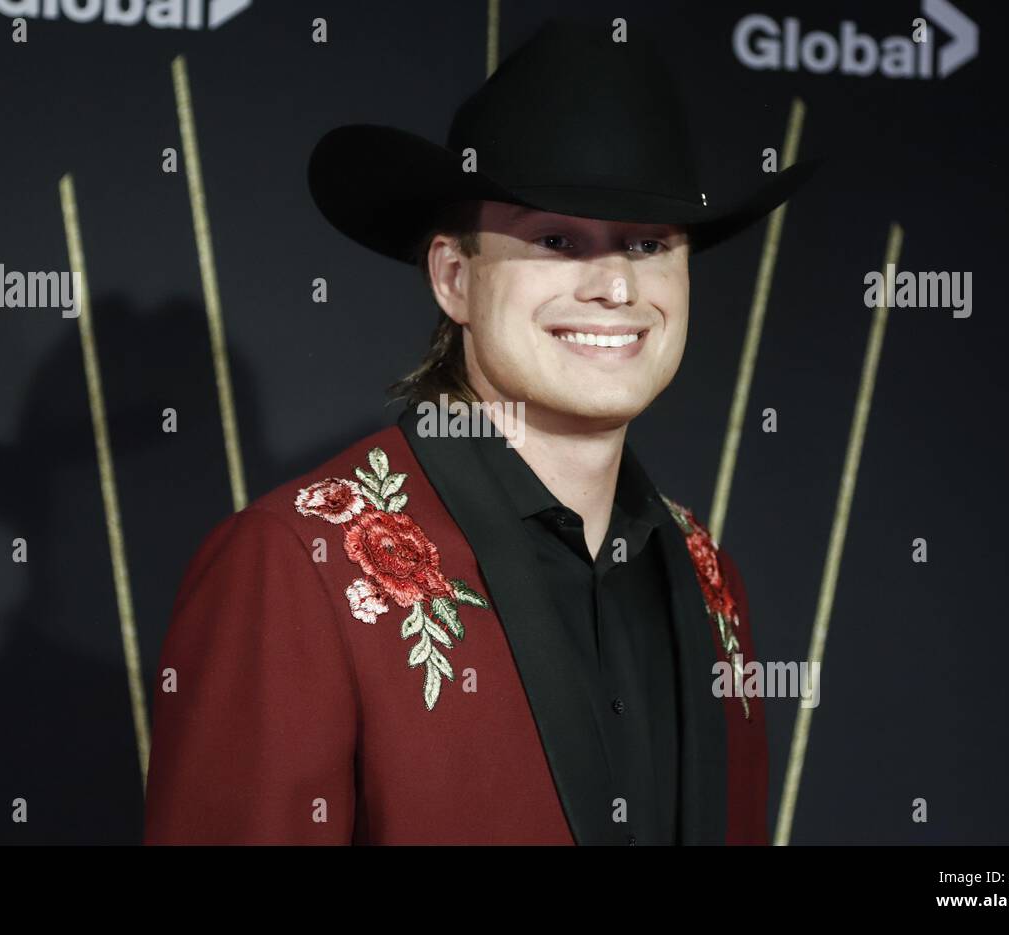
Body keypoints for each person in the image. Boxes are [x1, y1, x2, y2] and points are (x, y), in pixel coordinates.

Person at [143, 16, 817, 845]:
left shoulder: (710, 574)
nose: (615, 285)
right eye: (557, 239)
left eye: (649, 242)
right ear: (455, 278)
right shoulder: (294, 561)